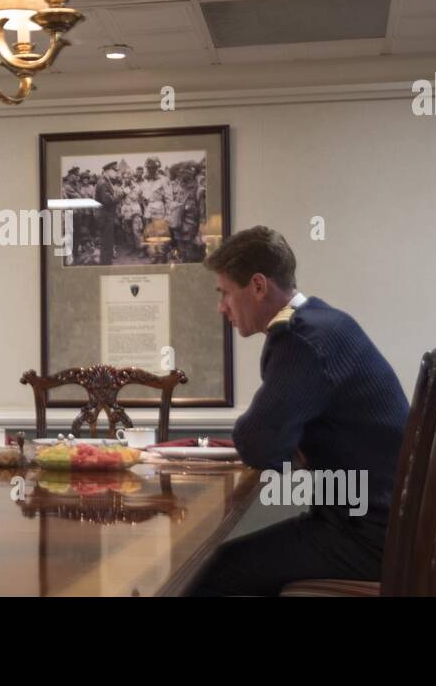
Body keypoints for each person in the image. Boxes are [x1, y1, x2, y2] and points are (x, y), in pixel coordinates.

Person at [189, 226, 409, 596]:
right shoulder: (326, 322)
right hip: (387, 526)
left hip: (366, 537)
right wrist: (288, 448)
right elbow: (274, 439)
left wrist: (282, 447)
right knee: (221, 564)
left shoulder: (300, 338)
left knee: (207, 572)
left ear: (258, 286)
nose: (221, 306)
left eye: (226, 293)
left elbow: (257, 442)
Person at [138, 156, 171, 263]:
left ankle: (162, 257)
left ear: (157, 168)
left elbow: (169, 199)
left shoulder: (163, 180)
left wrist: (167, 215)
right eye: (149, 168)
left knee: (161, 236)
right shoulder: (145, 181)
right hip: (149, 212)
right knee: (151, 235)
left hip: (160, 212)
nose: (151, 170)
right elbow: (142, 196)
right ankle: (153, 257)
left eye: (153, 168)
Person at [93, 162, 122, 265]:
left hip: (106, 216)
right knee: (106, 241)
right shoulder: (103, 183)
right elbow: (107, 201)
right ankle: (105, 263)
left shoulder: (106, 181)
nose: (116, 173)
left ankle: (107, 261)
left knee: (108, 240)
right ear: (107, 170)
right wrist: (121, 196)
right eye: (114, 171)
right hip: (105, 217)